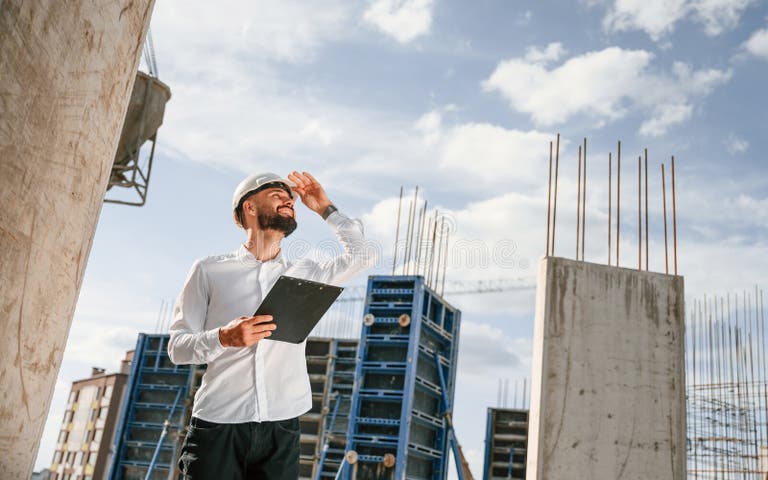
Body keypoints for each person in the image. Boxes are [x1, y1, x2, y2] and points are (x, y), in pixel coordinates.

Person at [168, 171, 375, 479]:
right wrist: (223, 337)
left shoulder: (305, 273)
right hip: (217, 425)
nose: (289, 200)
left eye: (290, 198)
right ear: (249, 207)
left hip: (282, 429)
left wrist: (325, 208)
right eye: (277, 195)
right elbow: (177, 348)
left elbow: (364, 255)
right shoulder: (209, 270)